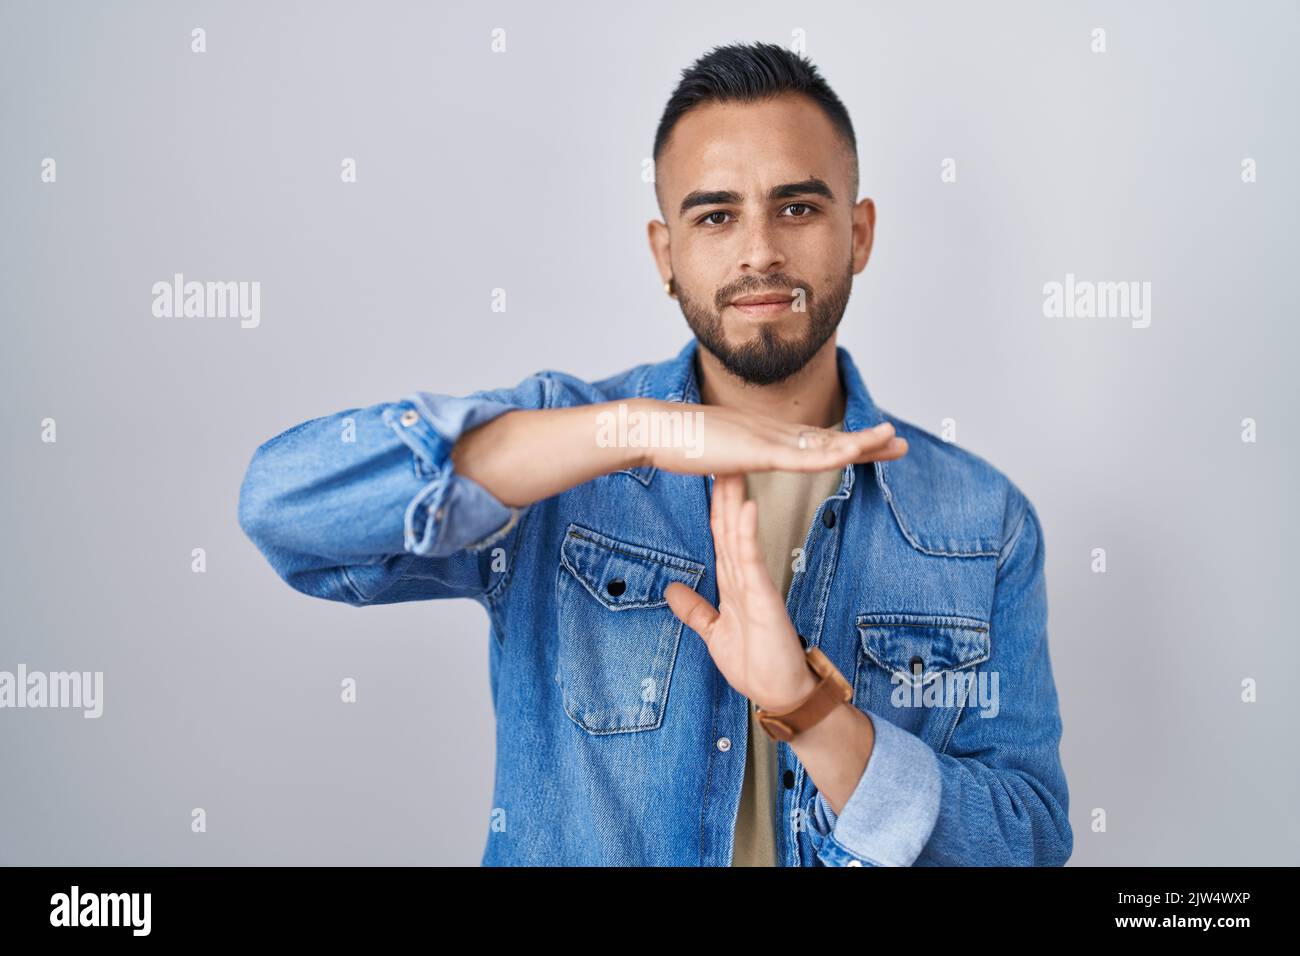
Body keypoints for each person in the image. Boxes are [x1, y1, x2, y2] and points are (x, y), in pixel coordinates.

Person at [237, 42, 1071, 867]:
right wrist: (633, 431)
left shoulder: (979, 520)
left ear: (859, 234)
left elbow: (1027, 839)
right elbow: (287, 510)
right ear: (664, 254)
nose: (759, 252)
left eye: (798, 208)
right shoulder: (565, 456)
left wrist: (812, 715)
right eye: (715, 216)